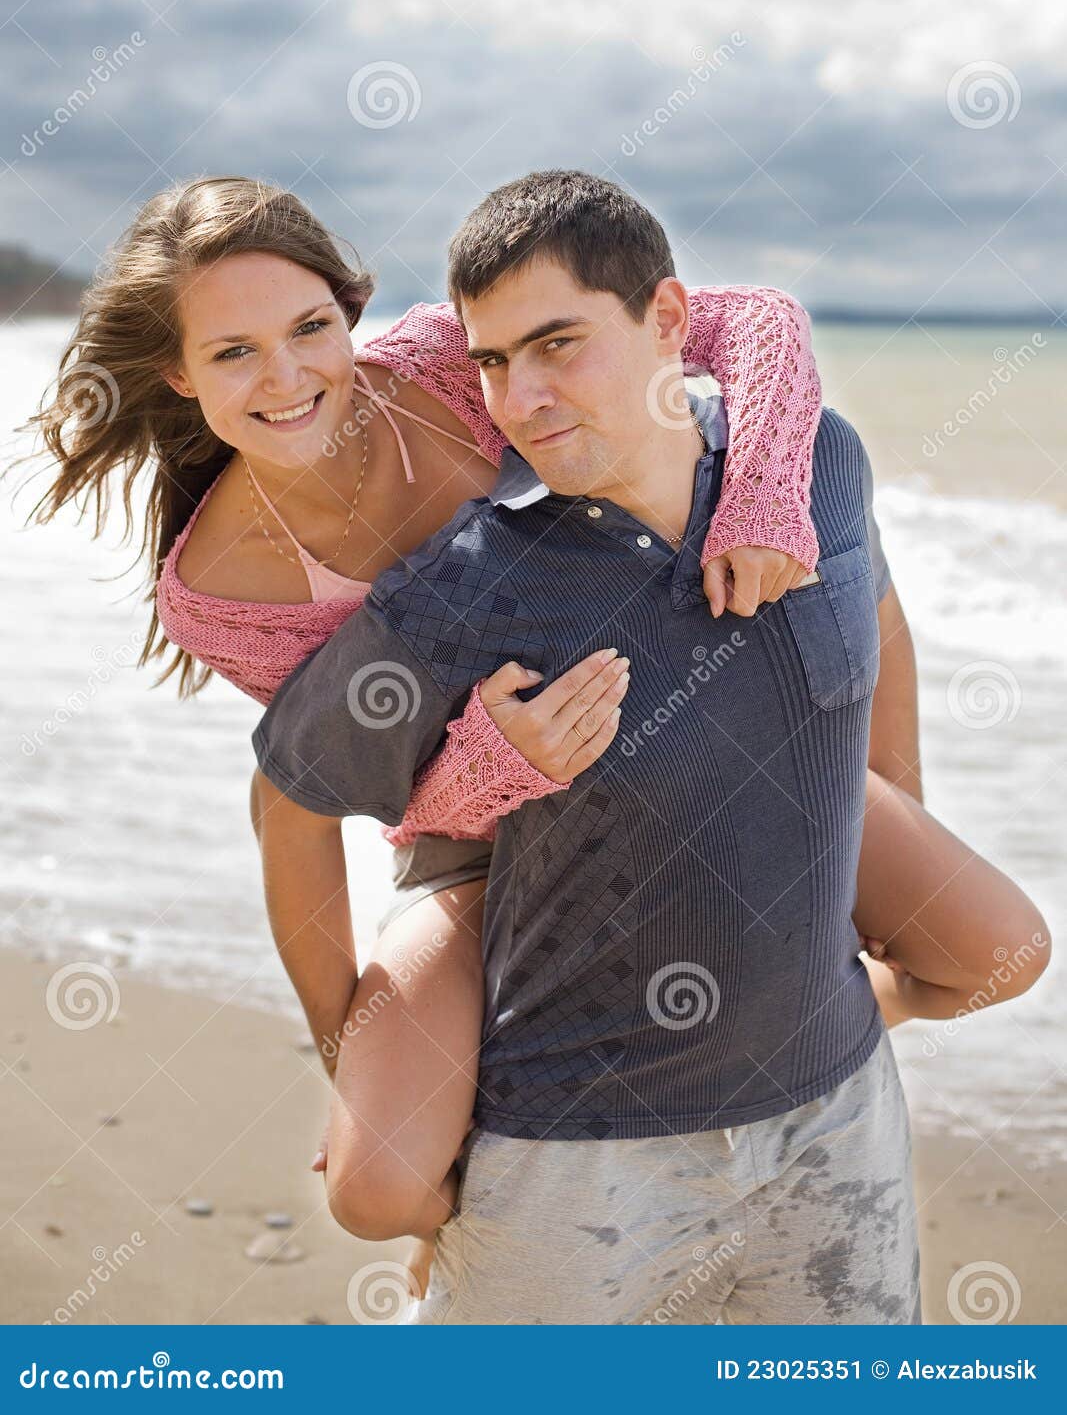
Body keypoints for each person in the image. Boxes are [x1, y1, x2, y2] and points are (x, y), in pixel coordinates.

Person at [21, 174, 1047, 1284]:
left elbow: (745, 322)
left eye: (310, 327)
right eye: (232, 353)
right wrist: (352, 1047)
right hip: (476, 836)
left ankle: (838, 1000)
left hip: (666, 728)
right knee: (377, 1189)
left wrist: (756, 492)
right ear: (180, 373)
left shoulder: (448, 364)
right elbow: (337, 785)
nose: (287, 376)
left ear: (350, 313)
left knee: (996, 953)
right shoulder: (220, 588)